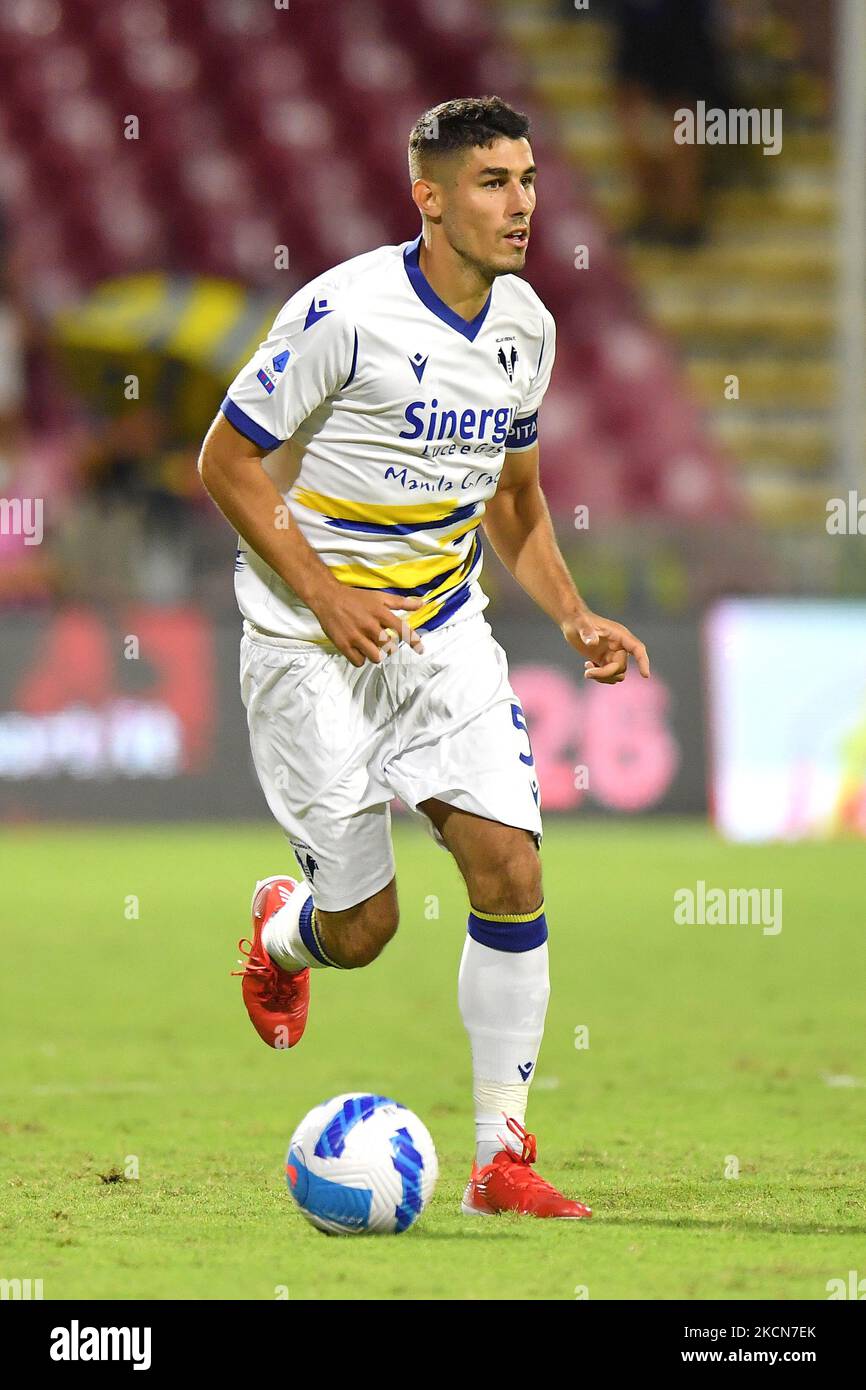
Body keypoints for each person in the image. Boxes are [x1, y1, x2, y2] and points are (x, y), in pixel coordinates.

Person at [197, 95, 649, 1220]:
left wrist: (572, 614)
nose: (522, 203)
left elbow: (515, 499)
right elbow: (225, 462)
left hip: (440, 632)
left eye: (530, 178)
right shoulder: (343, 312)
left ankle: (500, 1161)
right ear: (430, 196)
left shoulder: (524, 329)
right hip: (308, 642)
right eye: (493, 182)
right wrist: (326, 590)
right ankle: (280, 931)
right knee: (365, 929)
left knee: (510, 868)